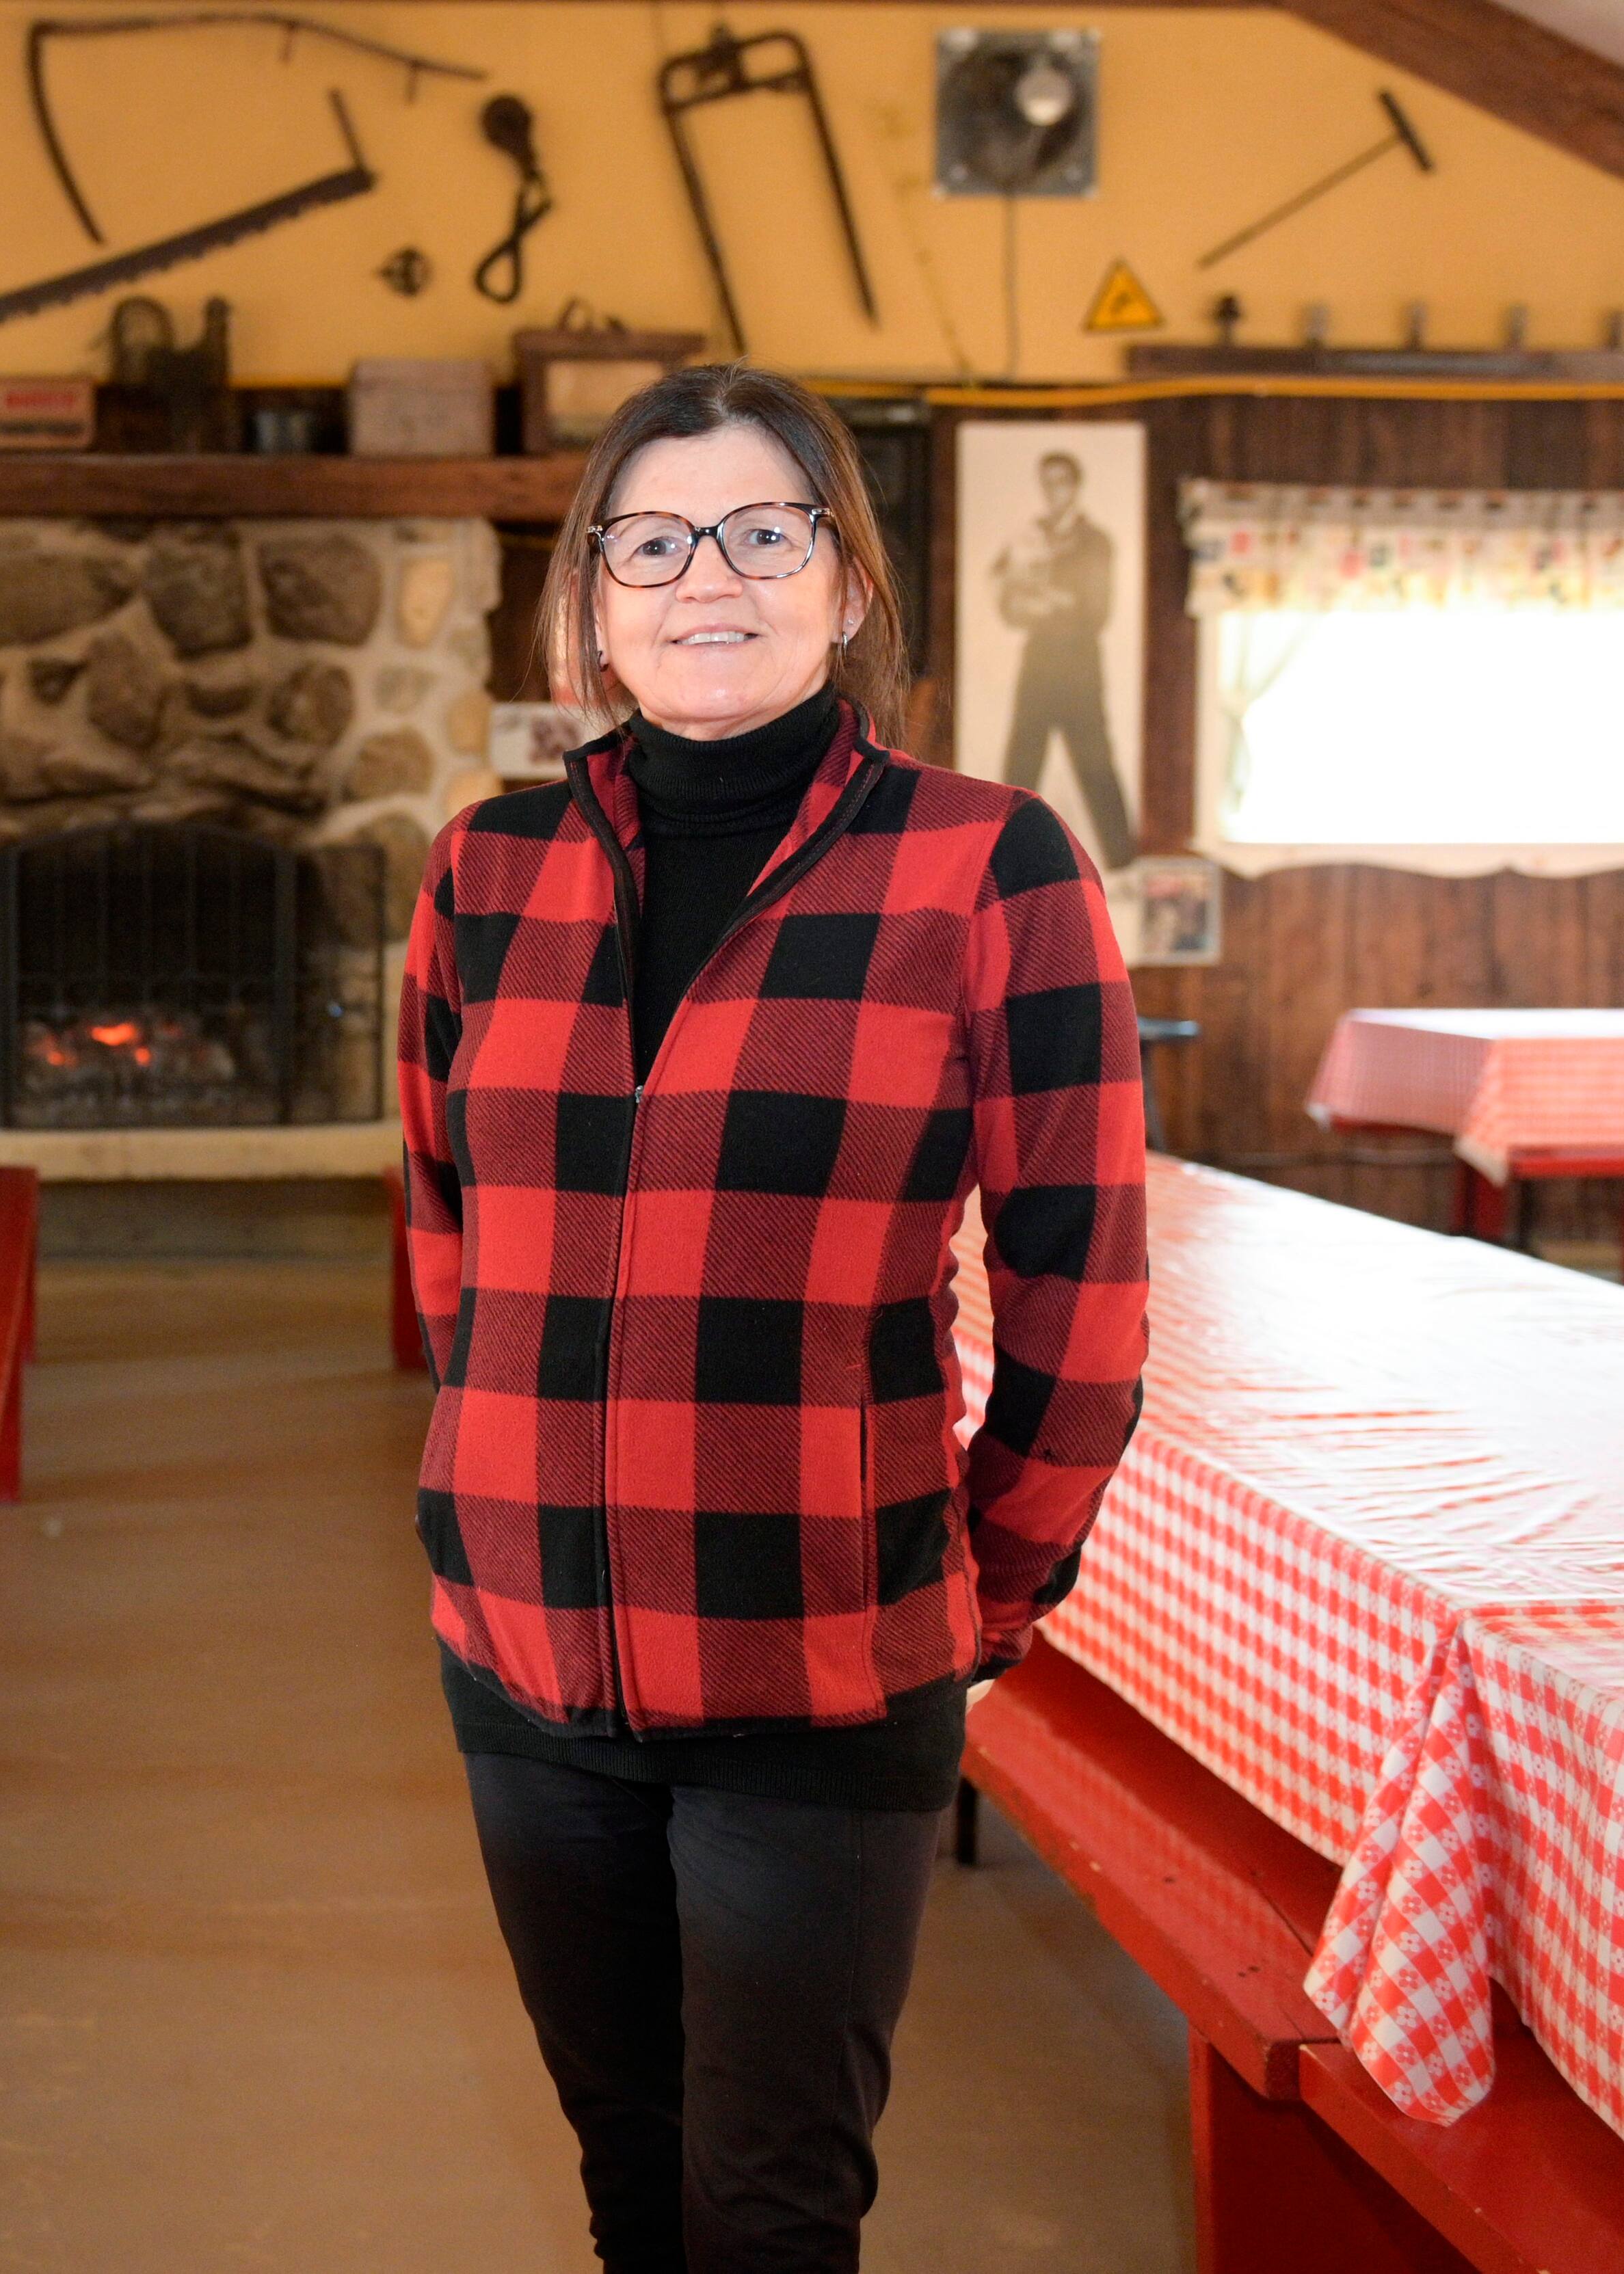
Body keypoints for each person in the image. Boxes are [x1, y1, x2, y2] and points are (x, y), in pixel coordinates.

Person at [396, 363, 1149, 2273]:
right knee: (629, 2181)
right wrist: (482, 1505)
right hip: (523, 1664)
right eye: (647, 541)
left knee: (771, 2213)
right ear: (590, 596)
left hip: (821, 1661)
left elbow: (1081, 1299)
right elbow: (447, 1235)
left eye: (759, 529)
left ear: (847, 580)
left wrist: (974, 1594)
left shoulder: (987, 866)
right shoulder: (484, 867)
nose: (703, 578)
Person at [992, 449, 1139, 868]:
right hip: (1038, 660)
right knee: (1022, 760)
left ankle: (1123, 863)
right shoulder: (1029, 536)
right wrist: (1027, 600)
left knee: (1095, 762)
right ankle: (1001, 863)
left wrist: (1049, 601)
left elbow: (1097, 611)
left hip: (1079, 665)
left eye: (1060, 482)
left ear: (1075, 486)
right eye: (1047, 483)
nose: (1052, 491)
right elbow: (1007, 601)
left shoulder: (1096, 541)